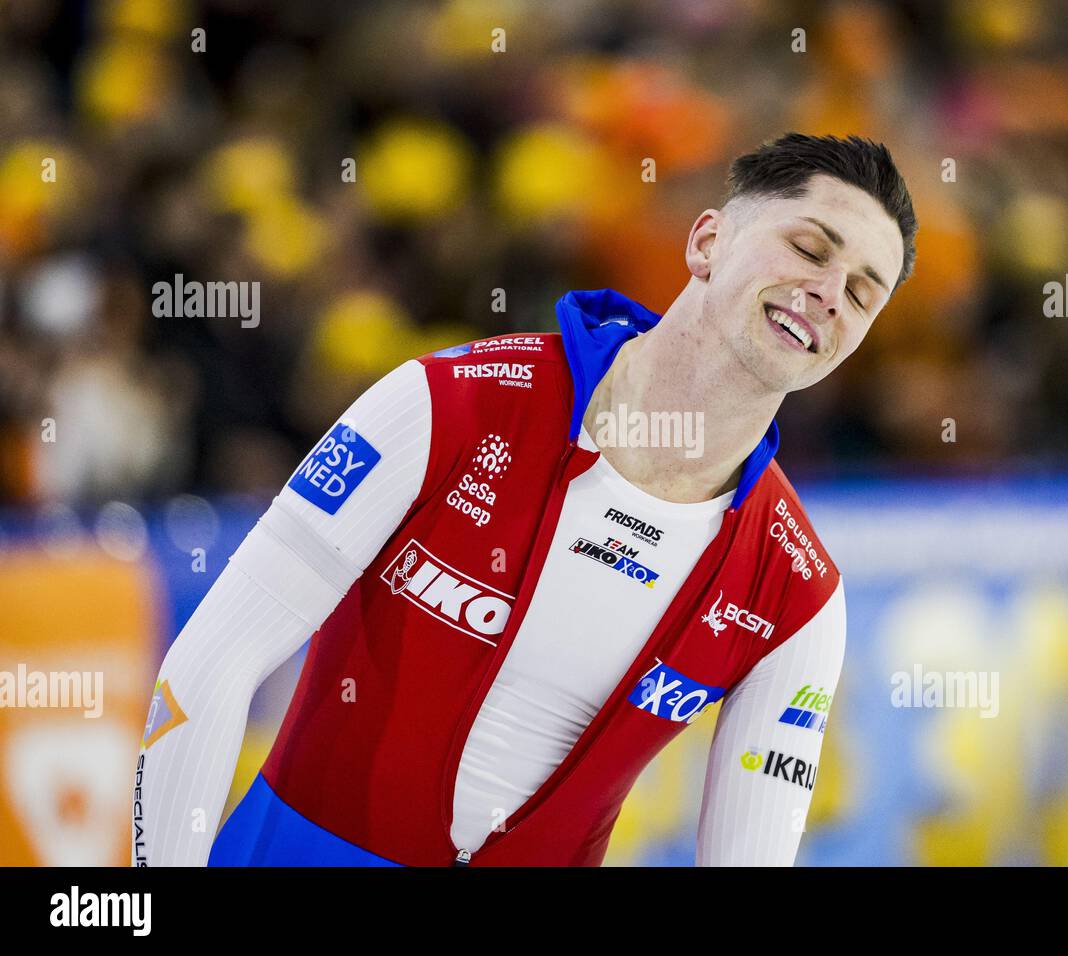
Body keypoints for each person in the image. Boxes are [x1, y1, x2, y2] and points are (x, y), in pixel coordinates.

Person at [131, 132, 917, 867]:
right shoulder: (446, 406)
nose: (826, 294)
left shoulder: (797, 592)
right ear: (707, 242)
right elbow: (209, 664)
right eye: (810, 249)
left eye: (861, 294)